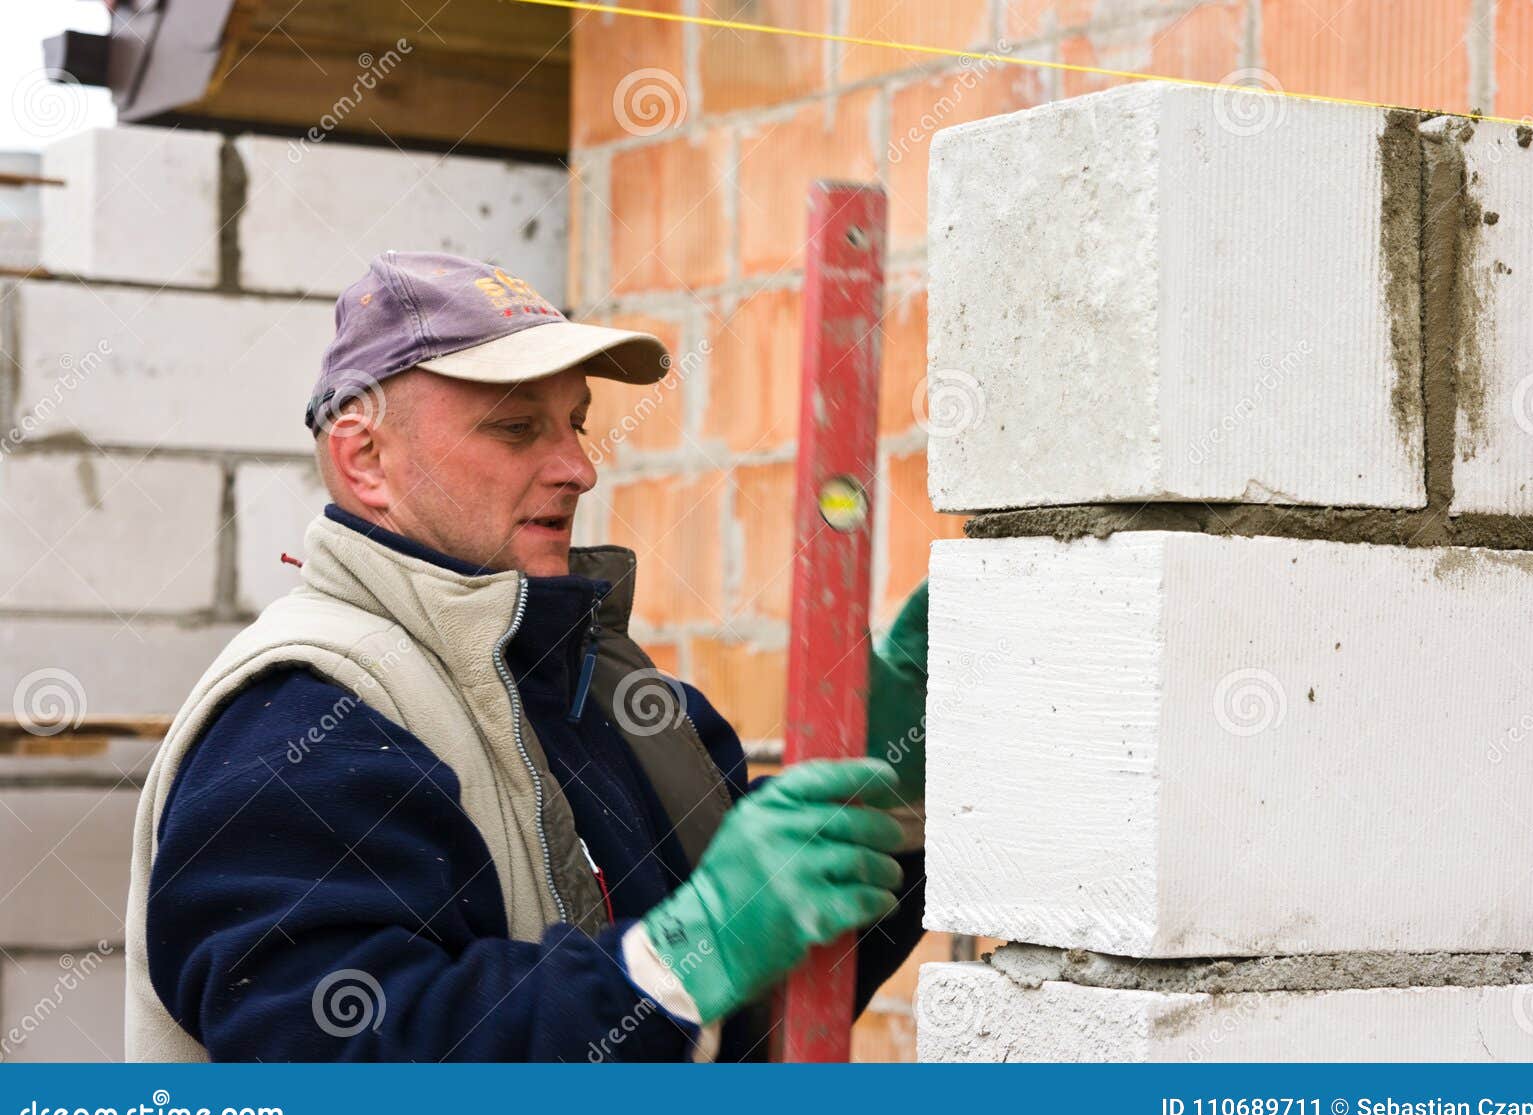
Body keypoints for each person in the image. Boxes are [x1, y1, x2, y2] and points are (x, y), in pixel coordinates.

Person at [123, 251, 930, 1062]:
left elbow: (733, 1028)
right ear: (365, 459)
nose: (579, 468)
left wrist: (889, 814)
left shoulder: (630, 703)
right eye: (516, 427)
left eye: (575, 422)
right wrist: (687, 953)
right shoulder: (303, 717)